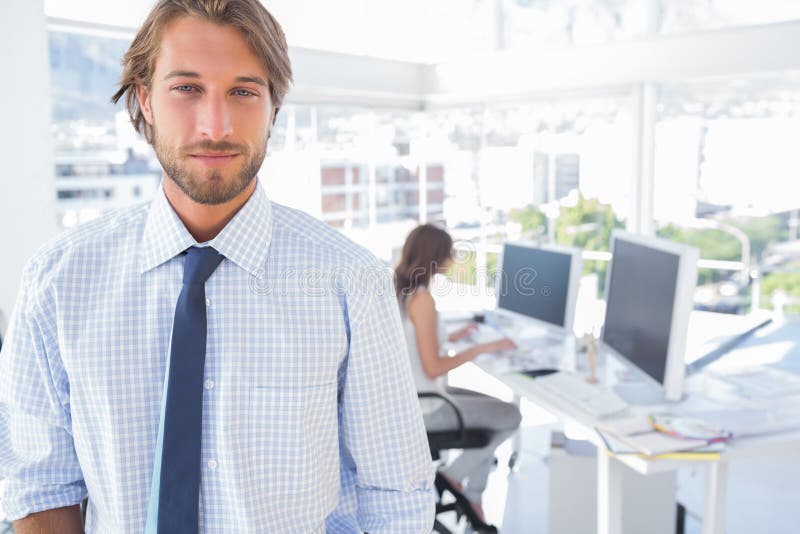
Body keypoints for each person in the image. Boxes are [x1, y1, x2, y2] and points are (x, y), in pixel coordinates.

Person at [0, 1, 434, 532]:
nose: (216, 125)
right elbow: (39, 486)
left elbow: (395, 498)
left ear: (274, 106)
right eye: (186, 88)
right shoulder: (57, 283)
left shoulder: (351, 282)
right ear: (146, 100)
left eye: (244, 91)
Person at [394, 224, 522, 521]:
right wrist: (481, 349)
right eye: (449, 253)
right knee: (510, 416)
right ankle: (455, 478)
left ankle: (472, 497)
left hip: (416, 396)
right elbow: (434, 366)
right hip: (427, 406)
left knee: (494, 411)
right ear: (434, 257)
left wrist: (453, 336)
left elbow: (416, 340)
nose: (452, 259)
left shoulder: (402, 288)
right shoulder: (423, 300)